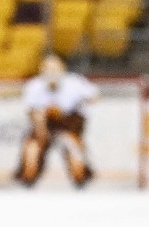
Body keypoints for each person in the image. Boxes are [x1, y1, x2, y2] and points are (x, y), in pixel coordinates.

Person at [16, 53, 97, 188]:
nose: (51, 72)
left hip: (69, 125)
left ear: (62, 68)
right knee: (31, 151)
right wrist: (42, 133)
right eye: (47, 68)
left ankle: (82, 178)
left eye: (54, 68)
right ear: (41, 70)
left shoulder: (75, 83)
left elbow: (94, 96)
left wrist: (82, 102)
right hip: (43, 124)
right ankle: (27, 179)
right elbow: (33, 113)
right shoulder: (34, 86)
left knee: (75, 156)